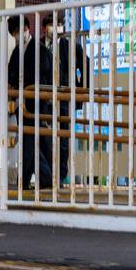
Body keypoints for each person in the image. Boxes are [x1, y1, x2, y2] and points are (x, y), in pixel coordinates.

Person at [6, 14, 54, 189]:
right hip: (23, 103)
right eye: (15, 33)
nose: (19, 34)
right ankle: (31, 179)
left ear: (27, 28)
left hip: (36, 104)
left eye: (20, 30)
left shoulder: (40, 50)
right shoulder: (17, 51)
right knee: (30, 141)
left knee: (30, 142)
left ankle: (34, 179)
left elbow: (43, 77)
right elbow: (10, 73)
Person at [42, 12, 88, 186]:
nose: (55, 28)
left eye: (58, 24)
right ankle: (47, 174)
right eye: (51, 24)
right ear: (45, 27)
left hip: (65, 97)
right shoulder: (39, 45)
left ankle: (61, 174)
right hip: (44, 97)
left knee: (63, 137)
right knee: (45, 137)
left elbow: (86, 65)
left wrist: (81, 90)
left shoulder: (71, 47)